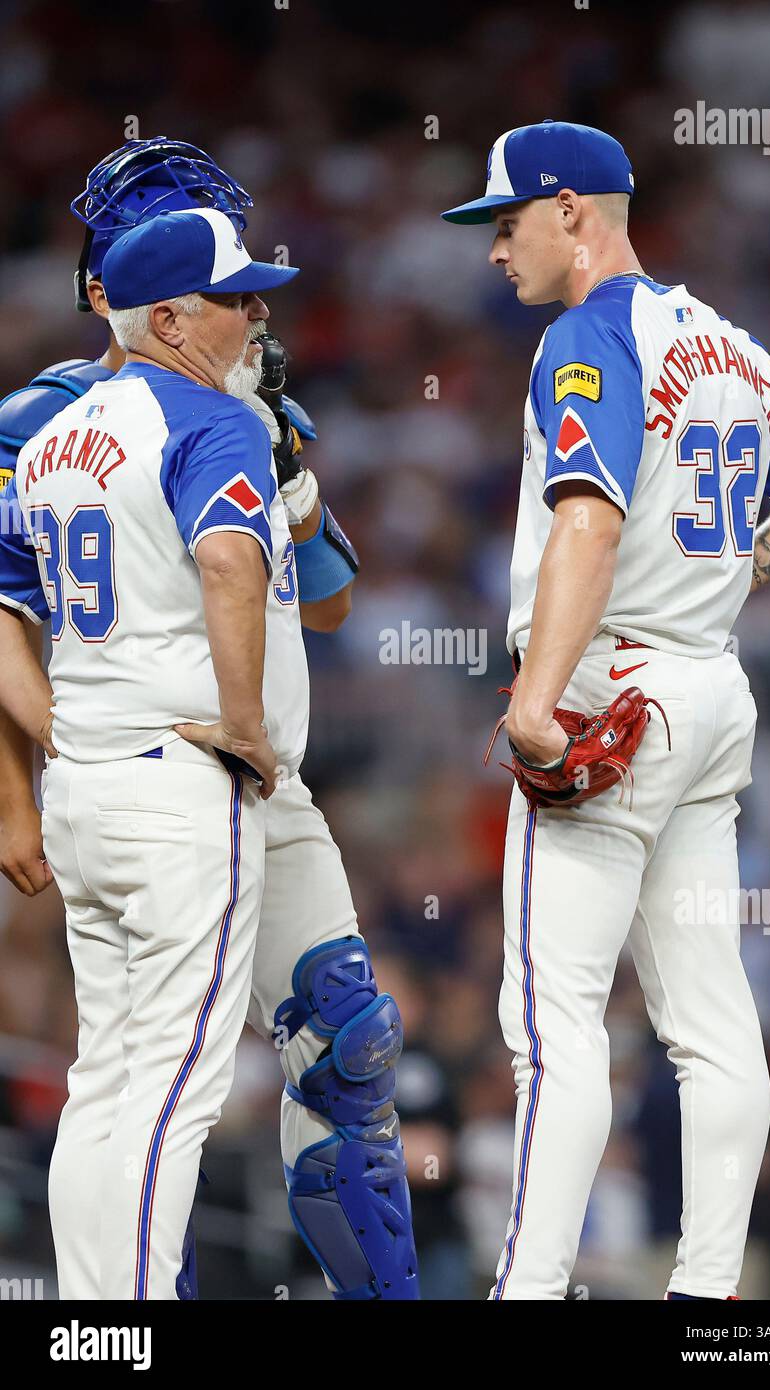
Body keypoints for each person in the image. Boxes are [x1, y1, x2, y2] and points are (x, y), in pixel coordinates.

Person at [441, 119, 770, 1301]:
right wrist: (732, 573)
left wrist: (534, 701)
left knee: (551, 1020)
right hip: (706, 687)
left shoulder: (587, 333)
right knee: (709, 1012)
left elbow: (587, 516)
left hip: (611, 689)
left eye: (506, 219)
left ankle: (526, 1292)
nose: (493, 248)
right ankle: (707, 1294)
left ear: (572, 211)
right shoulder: (723, 341)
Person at [0, 140, 417, 1302]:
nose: (248, 308)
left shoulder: (245, 405)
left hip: (241, 774)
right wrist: (49, 761)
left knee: (348, 1045)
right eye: (220, 276)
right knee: (161, 1080)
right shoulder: (38, 417)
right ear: (124, 290)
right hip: (178, 763)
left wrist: (292, 474)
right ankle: (125, 1314)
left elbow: (322, 599)